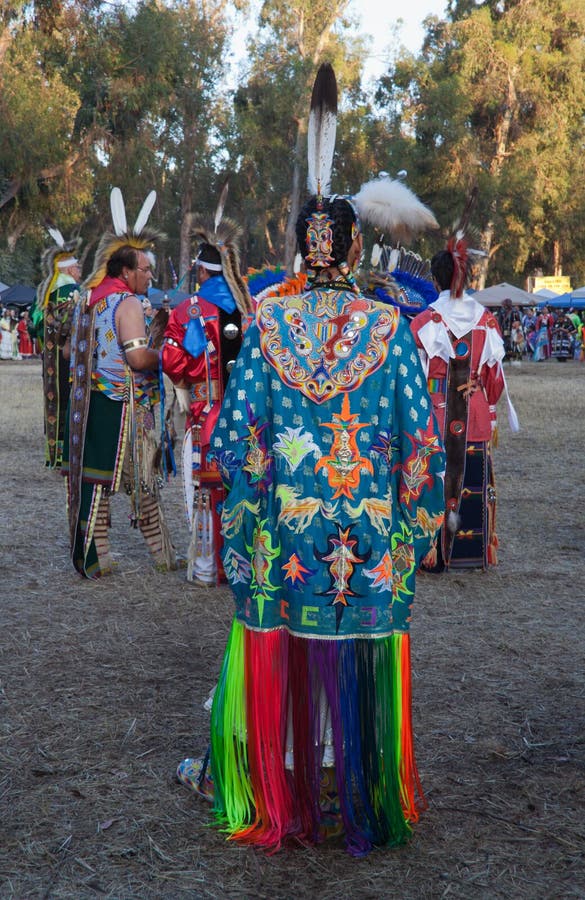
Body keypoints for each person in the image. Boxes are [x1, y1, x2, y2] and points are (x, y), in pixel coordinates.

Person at [176, 64, 445, 856]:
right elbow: (420, 443)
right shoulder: (388, 329)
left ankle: (282, 767)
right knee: (354, 634)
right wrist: (412, 522)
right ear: (353, 246)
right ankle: (349, 772)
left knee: (285, 628)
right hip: (363, 536)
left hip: (286, 539)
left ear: (304, 246)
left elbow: (230, 439)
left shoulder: (267, 327)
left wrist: (240, 496)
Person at [63, 188, 176, 579]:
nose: (150, 275)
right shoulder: (126, 303)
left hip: (89, 406)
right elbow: (138, 358)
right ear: (126, 271)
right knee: (142, 479)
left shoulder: (88, 300)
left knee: (95, 480)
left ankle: (97, 557)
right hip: (124, 407)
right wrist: (167, 354)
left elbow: (68, 352)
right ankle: (163, 555)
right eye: (145, 269)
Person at [410, 236, 519, 572]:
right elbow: (494, 381)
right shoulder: (486, 320)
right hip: (474, 413)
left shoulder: (423, 322)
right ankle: (470, 552)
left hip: (435, 413)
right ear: (466, 279)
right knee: (472, 477)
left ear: (435, 280)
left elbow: (413, 378)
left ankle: (433, 552)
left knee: (436, 476)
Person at [162, 210, 253, 586]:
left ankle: (207, 567)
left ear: (201, 271)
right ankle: (243, 566)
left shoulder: (189, 311)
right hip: (246, 416)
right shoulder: (249, 309)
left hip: (206, 415)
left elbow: (172, 361)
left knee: (208, 488)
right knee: (242, 487)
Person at [34, 230, 82, 468]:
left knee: (54, 402)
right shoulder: (72, 291)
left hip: (50, 358)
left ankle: (53, 454)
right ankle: (66, 456)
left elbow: (35, 325)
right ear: (69, 269)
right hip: (67, 356)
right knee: (69, 400)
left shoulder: (47, 291)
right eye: (78, 267)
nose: (80, 271)